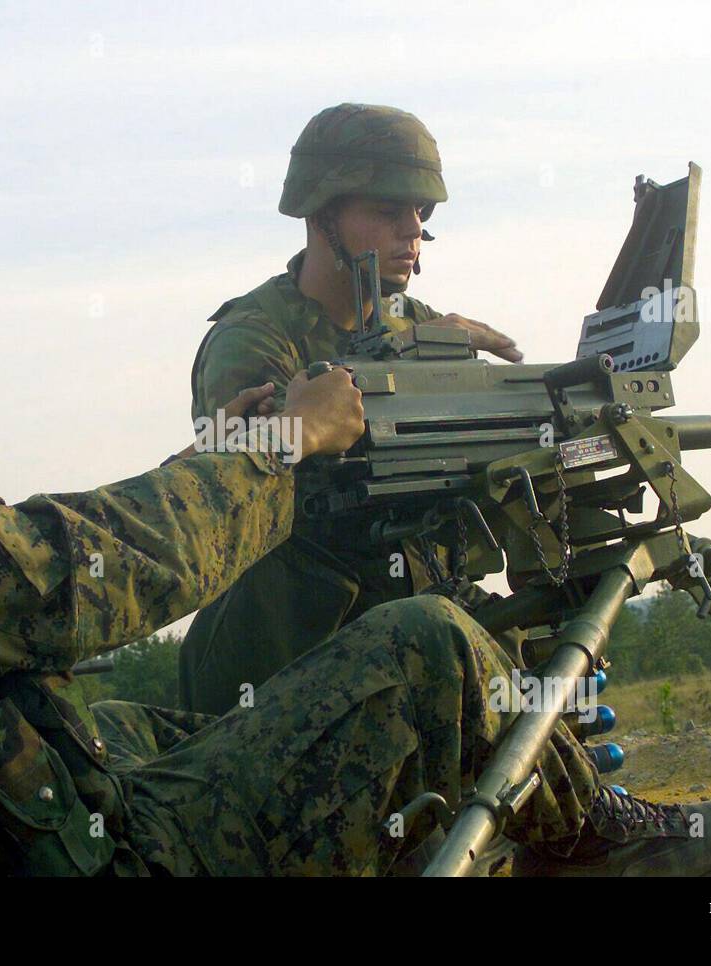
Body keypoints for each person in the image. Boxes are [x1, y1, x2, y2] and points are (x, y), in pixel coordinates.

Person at [0, 253, 711, 876]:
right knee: (426, 643)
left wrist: (223, 450)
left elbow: (85, 548)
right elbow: (126, 564)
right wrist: (289, 439)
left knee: (174, 725)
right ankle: (592, 854)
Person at [181, 103, 524, 716]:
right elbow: (269, 484)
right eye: (388, 212)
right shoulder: (253, 339)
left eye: (421, 214)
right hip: (293, 637)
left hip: (412, 603)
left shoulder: (420, 324)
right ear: (323, 214)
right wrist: (413, 359)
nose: (412, 231)